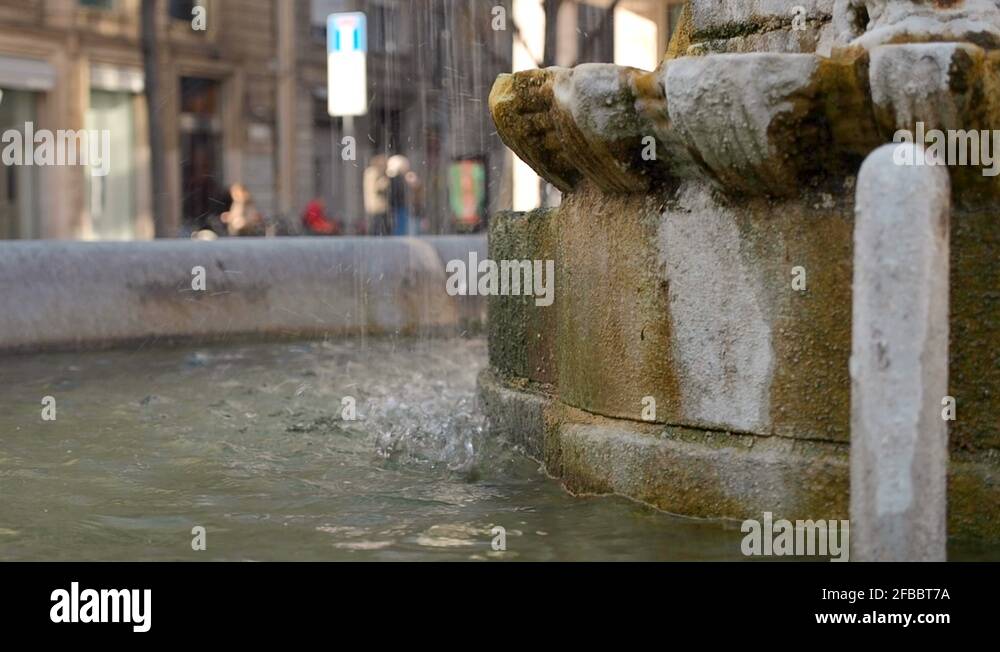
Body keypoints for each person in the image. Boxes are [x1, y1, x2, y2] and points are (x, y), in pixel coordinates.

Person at [363, 155, 390, 236]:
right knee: (379, 227)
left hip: (372, 205)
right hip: (378, 206)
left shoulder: (368, 172)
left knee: (375, 226)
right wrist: (386, 180)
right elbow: (378, 187)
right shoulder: (374, 172)